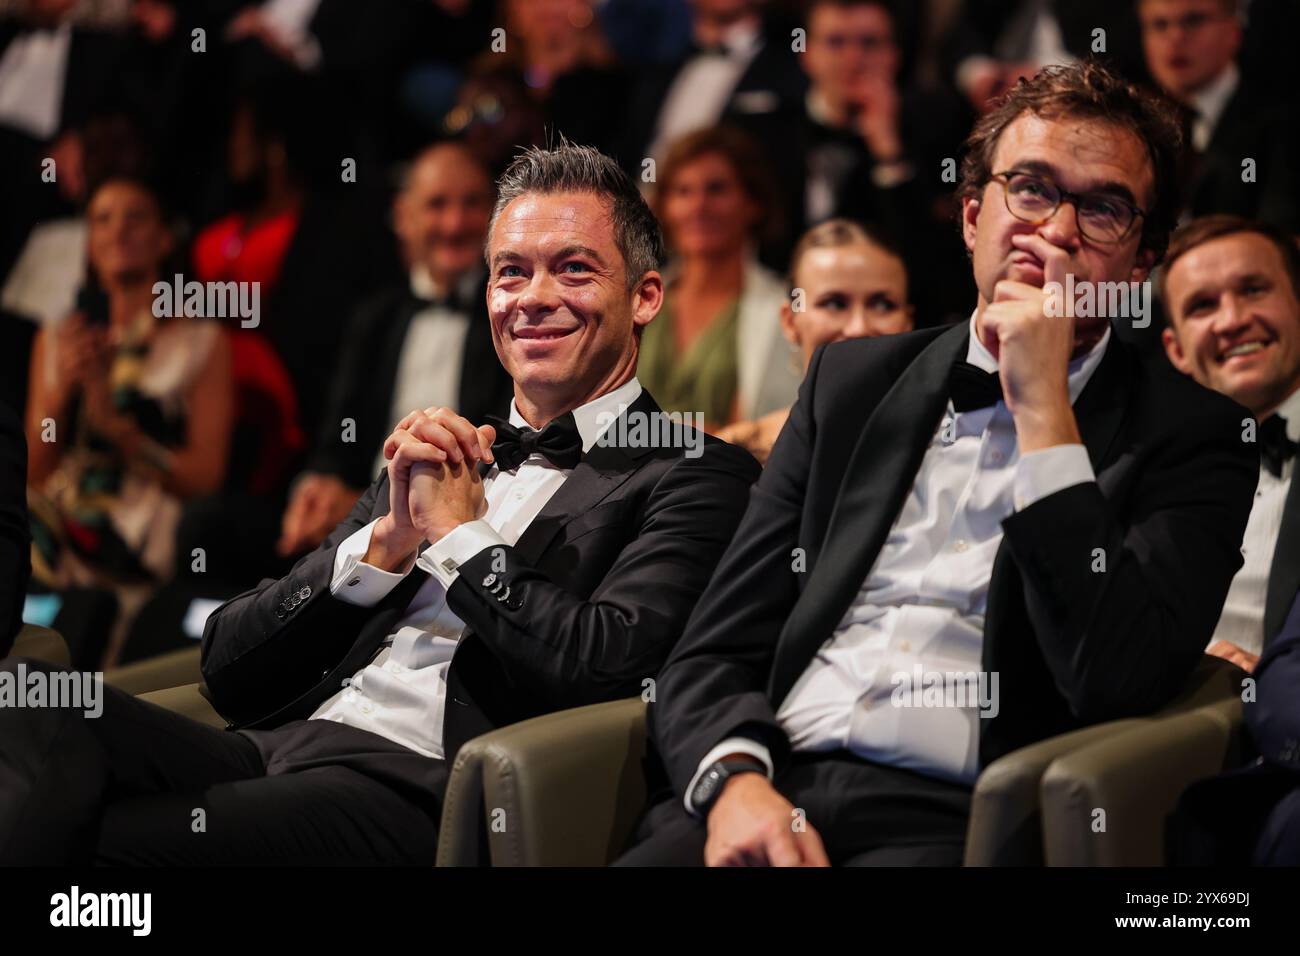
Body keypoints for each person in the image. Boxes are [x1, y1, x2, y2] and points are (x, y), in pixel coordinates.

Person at [0, 142, 760, 865]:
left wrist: (461, 537)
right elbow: (228, 663)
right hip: (276, 749)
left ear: (645, 296)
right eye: (511, 273)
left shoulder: (693, 471)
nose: (534, 298)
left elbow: (605, 663)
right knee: (26, 701)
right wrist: (380, 547)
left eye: (573, 269)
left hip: (411, 791)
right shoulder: (445, 445)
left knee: (98, 842)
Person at [616, 61, 1257, 867]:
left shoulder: (1198, 436)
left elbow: (1116, 678)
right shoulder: (851, 385)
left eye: (1102, 209)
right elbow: (716, 645)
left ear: (1139, 266)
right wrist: (736, 784)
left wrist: (1044, 413)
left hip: (961, 823)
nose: (1056, 230)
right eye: (1029, 187)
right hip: (765, 788)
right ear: (969, 216)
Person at [24, 176, 234, 666]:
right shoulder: (57, 336)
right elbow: (33, 469)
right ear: (89, 242)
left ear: (164, 238)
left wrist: (117, 428)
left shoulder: (201, 340)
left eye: (135, 217)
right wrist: (66, 389)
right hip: (58, 525)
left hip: (144, 530)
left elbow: (205, 478)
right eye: (102, 219)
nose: (118, 231)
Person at [277, 141, 514, 560]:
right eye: (437, 205)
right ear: (403, 218)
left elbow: (506, 440)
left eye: (472, 204)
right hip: (368, 509)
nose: (455, 223)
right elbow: (338, 435)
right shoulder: (375, 318)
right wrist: (319, 485)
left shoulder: (511, 315)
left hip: (476, 511)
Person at [1160, 215, 1300, 671]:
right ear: (1176, 349)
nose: (1233, 320)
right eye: (1202, 306)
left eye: (1254, 290)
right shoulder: (1147, 473)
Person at [640, 125, 798, 430]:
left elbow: (776, 427)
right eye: (683, 191)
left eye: (716, 189)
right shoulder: (632, 297)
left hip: (731, 475)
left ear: (753, 203)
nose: (698, 206)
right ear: (665, 207)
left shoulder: (784, 309)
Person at [717, 219, 912, 463]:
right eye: (834, 303)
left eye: (883, 304)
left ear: (907, 322)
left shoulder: (944, 443)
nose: (859, 328)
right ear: (790, 321)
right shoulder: (735, 450)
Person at [1138, 0, 1300, 230]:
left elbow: (1285, 237)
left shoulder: (1283, 124)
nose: (1175, 37)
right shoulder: (1140, 123)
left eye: (1193, 20)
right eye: (1160, 24)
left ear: (1234, 30)